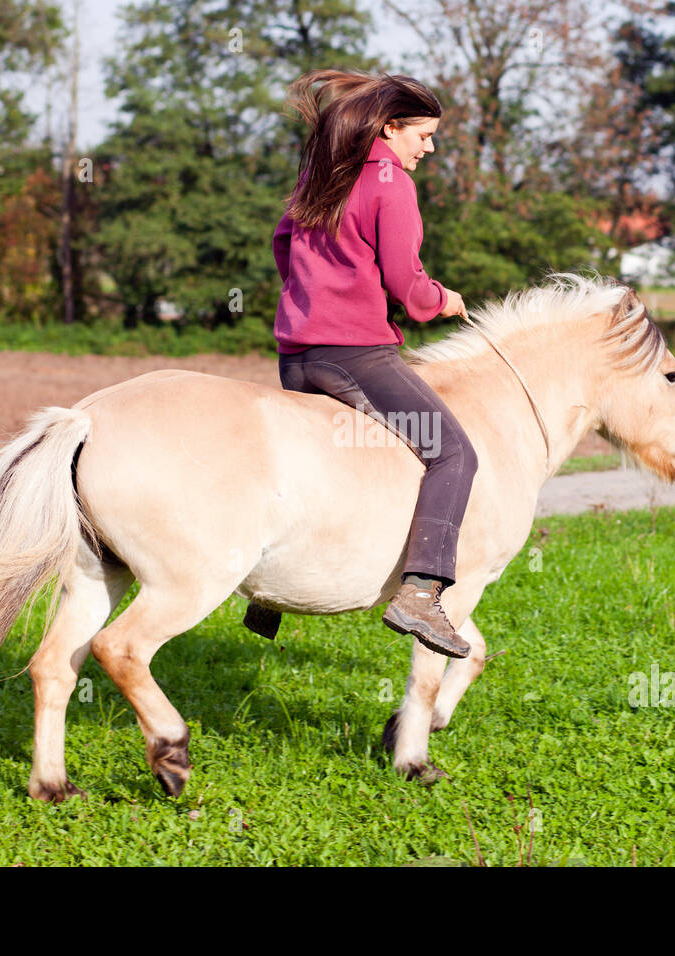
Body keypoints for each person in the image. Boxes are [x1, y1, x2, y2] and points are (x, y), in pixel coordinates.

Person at [270, 68, 479, 659]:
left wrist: (311, 294)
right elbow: (408, 287)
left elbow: (283, 243)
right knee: (453, 452)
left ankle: (268, 592)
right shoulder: (392, 186)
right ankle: (420, 593)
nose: (429, 147)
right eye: (422, 136)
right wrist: (445, 299)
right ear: (390, 127)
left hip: (296, 359)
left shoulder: (323, 171)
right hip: (355, 357)